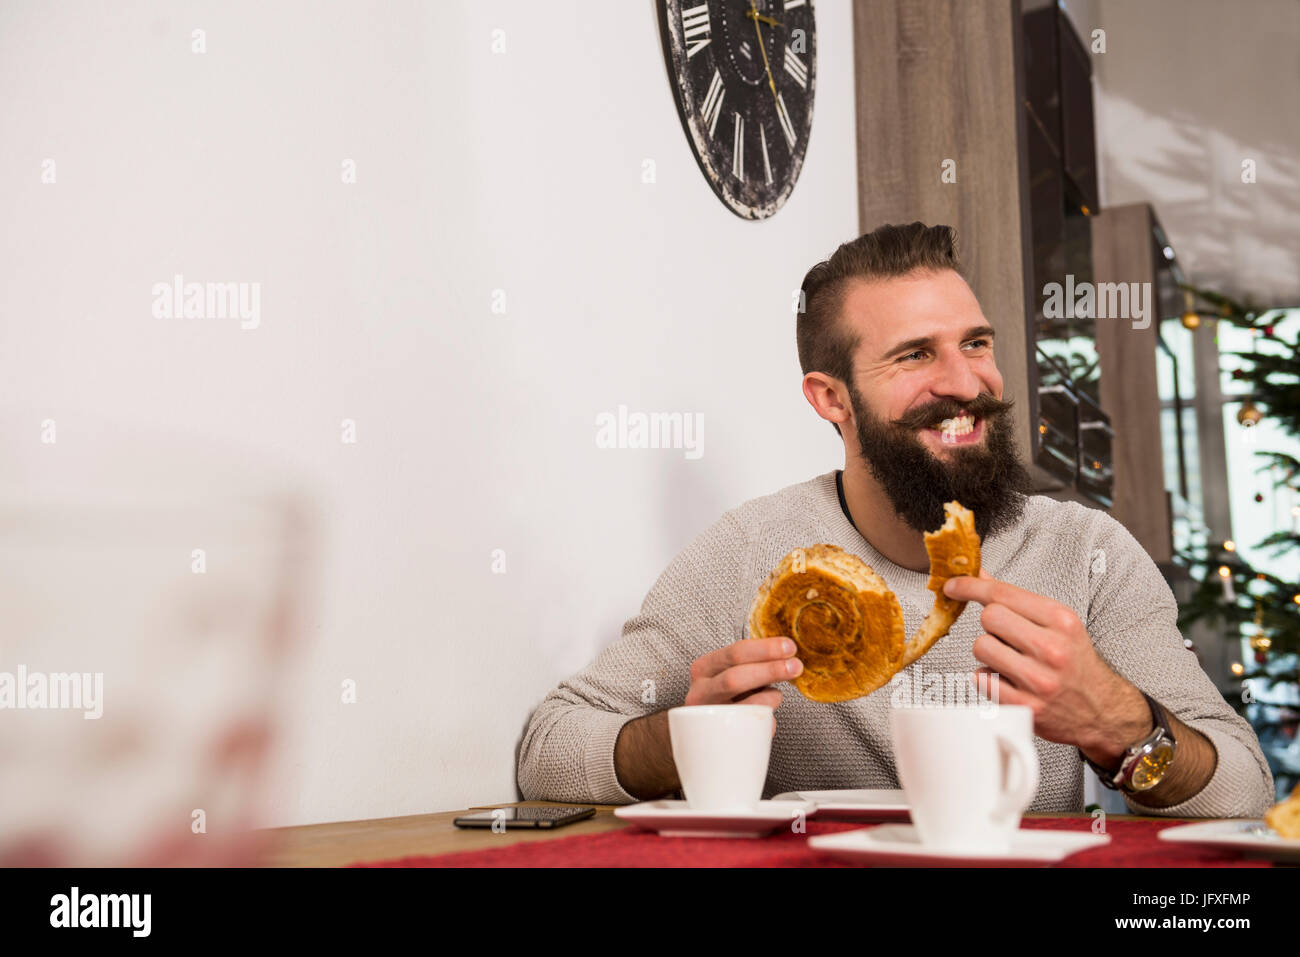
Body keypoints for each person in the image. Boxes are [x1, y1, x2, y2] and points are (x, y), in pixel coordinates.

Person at [516, 222, 1275, 816]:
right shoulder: (750, 553)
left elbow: (1243, 786)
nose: (966, 381)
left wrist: (1119, 722)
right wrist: (686, 737)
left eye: (975, 343)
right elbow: (548, 747)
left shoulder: (1085, 554)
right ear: (831, 398)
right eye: (915, 355)